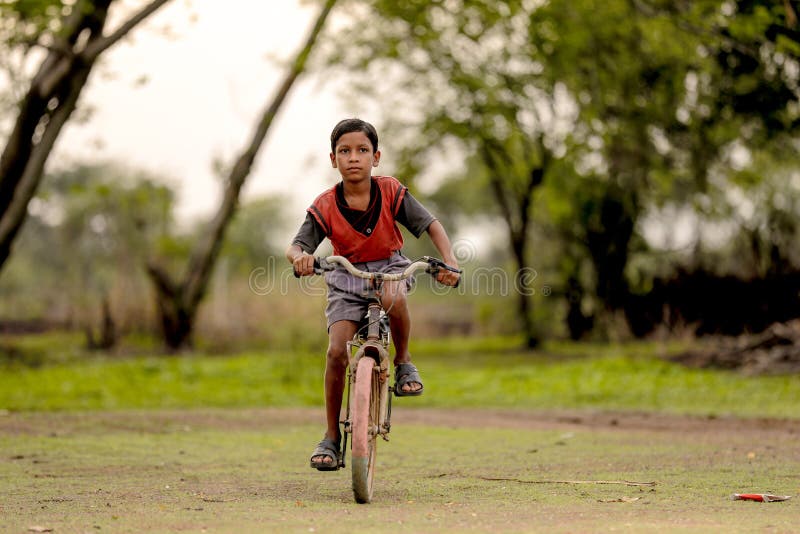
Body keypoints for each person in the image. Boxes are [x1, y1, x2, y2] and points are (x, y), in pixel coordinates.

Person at [286, 118, 461, 471]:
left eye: (362, 150)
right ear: (333, 159)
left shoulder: (391, 191)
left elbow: (430, 224)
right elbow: (297, 245)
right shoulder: (324, 205)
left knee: (394, 295)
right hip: (345, 274)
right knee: (336, 351)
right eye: (345, 151)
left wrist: (450, 261)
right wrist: (302, 259)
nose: (354, 158)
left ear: (376, 157)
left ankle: (403, 361)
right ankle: (331, 436)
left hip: (389, 268)